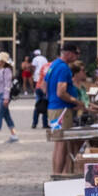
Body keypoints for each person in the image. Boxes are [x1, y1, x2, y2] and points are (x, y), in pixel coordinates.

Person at [46, 43, 84, 176]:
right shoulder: (63, 68)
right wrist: (76, 101)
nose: (76, 57)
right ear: (68, 53)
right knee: (62, 144)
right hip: (62, 109)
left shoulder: (53, 65)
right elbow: (61, 92)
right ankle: (58, 176)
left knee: (58, 143)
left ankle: (57, 174)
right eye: (76, 54)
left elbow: (44, 86)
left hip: (53, 107)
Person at [0, 53, 19, 143]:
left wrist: (6, 98)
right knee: (6, 115)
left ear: (3, 62)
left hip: (3, 95)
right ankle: (14, 134)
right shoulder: (0, 70)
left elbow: (7, 85)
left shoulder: (6, 70)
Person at [31, 50, 49, 129]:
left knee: (38, 105)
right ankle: (44, 124)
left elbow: (33, 67)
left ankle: (34, 123)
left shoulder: (35, 59)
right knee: (45, 105)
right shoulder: (46, 61)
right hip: (44, 87)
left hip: (38, 83)